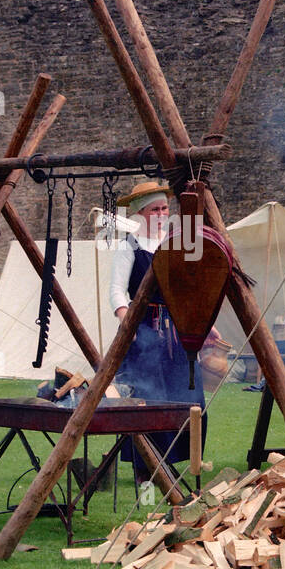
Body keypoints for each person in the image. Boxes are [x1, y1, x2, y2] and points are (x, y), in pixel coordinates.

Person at [108, 181, 207, 483]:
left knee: (190, 396)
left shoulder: (178, 242)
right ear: (141, 214)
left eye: (165, 208)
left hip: (177, 335)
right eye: (155, 209)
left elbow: (189, 289)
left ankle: (183, 460)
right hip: (144, 334)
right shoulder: (129, 247)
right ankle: (145, 466)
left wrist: (204, 324)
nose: (162, 213)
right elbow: (116, 292)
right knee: (147, 400)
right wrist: (130, 325)